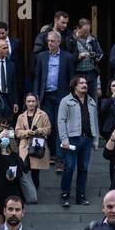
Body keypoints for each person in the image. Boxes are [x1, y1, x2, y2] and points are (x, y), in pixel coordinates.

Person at [32, 27, 75, 168]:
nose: (50, 43)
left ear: (59, 42)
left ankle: (59, 157)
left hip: (62, 96)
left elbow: (71, 79)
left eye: (52, 41)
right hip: (46, 96)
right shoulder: (41, 57)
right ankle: (50, 154)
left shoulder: (68, 57)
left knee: (60, 126)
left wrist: (71, 97)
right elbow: (37, 77)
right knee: (48, 125)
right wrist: (36, 96)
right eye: (48, 41)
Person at [57, 74, 98, 208]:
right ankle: (65, 195)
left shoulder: (91, 101)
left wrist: (96, 139)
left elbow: (95, 121)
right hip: (72, 139)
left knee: (84, 168)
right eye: (81, 83)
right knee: (69, 167)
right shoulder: (66, 101)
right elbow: (61, 121)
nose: (84, 85)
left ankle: (80, 196)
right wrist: (64, 139)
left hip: (87, 139)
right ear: (74, 86)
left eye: (85, 83)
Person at [0, 114, 26, 229]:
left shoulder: (15, 157)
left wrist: (14, 177)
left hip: (12, 190)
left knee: (12, 220)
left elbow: (20, 172)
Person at [15, 92, 53, 191]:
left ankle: (34, 193)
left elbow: (49, 129)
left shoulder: (43, 114)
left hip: (37, 146)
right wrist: (27, 132)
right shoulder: (21, 116)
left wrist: (39, 130)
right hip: (25, 146)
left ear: (36, 102)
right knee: (24, 169)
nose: (31, 103)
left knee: (35, 172)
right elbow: (17, 132)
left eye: (33, 101)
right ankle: (26, 192)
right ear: (25, 103)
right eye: (29, 101)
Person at [0, 38, 25, 120]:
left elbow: (14, 85)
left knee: (8, 125)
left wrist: (15, 102)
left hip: (8, 98)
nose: (7, 50)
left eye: (7, 47)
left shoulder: (11, 65)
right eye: (4, 48)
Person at [66, 18, 104, 98]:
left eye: (88, 31)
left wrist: (94, 56)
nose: (86, 34)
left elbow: (100, 53)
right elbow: (66, 57)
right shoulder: (70, 39)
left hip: (92, 74)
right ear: (77, 28)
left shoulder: (93, 38)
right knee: (78, 98)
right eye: (84, 32)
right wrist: (78, 57)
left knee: (93, 99)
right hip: (77, 74)